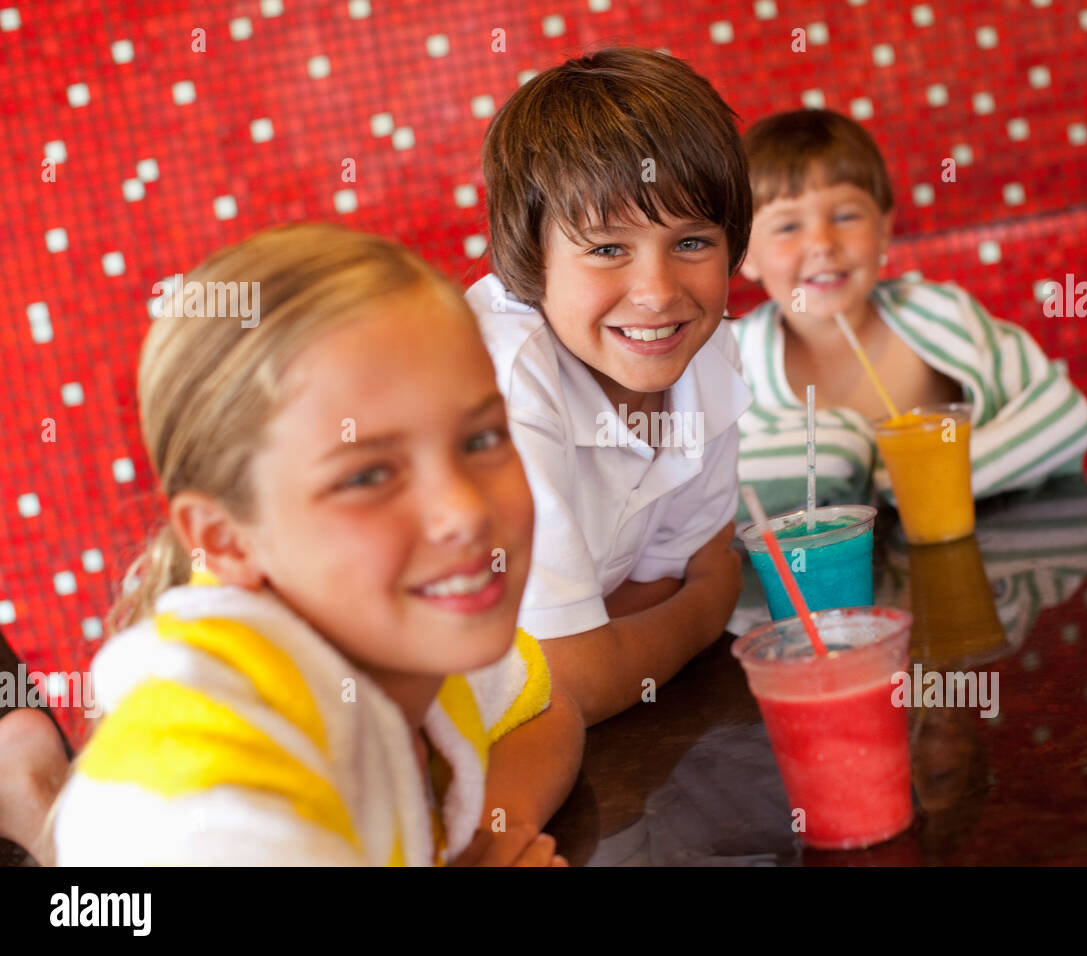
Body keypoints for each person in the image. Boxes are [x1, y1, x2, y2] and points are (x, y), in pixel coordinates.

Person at [10, 223, 583, 865]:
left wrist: (490, 833)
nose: (464, 511)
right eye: (367, 476)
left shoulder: (404, 626)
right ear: (225, 540)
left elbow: (545, 706)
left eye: (481, 439)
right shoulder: (200, 808)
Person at [466, 48, 750, 727]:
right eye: (606, 249)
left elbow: (657, 585)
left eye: (691, 243)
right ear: (529, 259)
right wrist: (709, 606)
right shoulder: (505, 380)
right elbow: (572, 682)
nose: (657, 294)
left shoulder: (706, 350)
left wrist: (608, 641)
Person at [732, 109, 1087, 518]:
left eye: (846, 216)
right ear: (744, 253)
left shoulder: (942, 316)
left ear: (884, 229)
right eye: (787, 227)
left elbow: (1065, 417)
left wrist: (928, 479)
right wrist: (841, 451)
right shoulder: (732, 364)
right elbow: (704, 493)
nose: (822, 243)